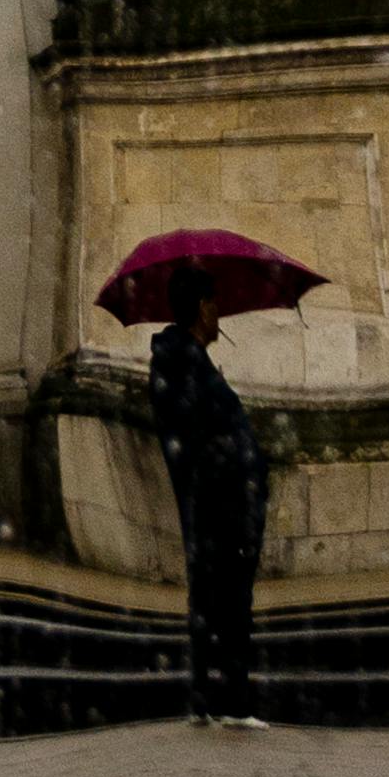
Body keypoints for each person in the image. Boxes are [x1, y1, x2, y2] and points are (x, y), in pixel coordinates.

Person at [148, 267, 271, 727]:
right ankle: (231, 700)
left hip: (210, 502)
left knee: (211, 597)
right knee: (229, 598)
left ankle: (208, 696)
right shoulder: (187, 366)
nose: (220, 313)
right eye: (215, 302)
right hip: (220, 503)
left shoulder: (181, 364)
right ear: (202, 308)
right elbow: (208, 438)